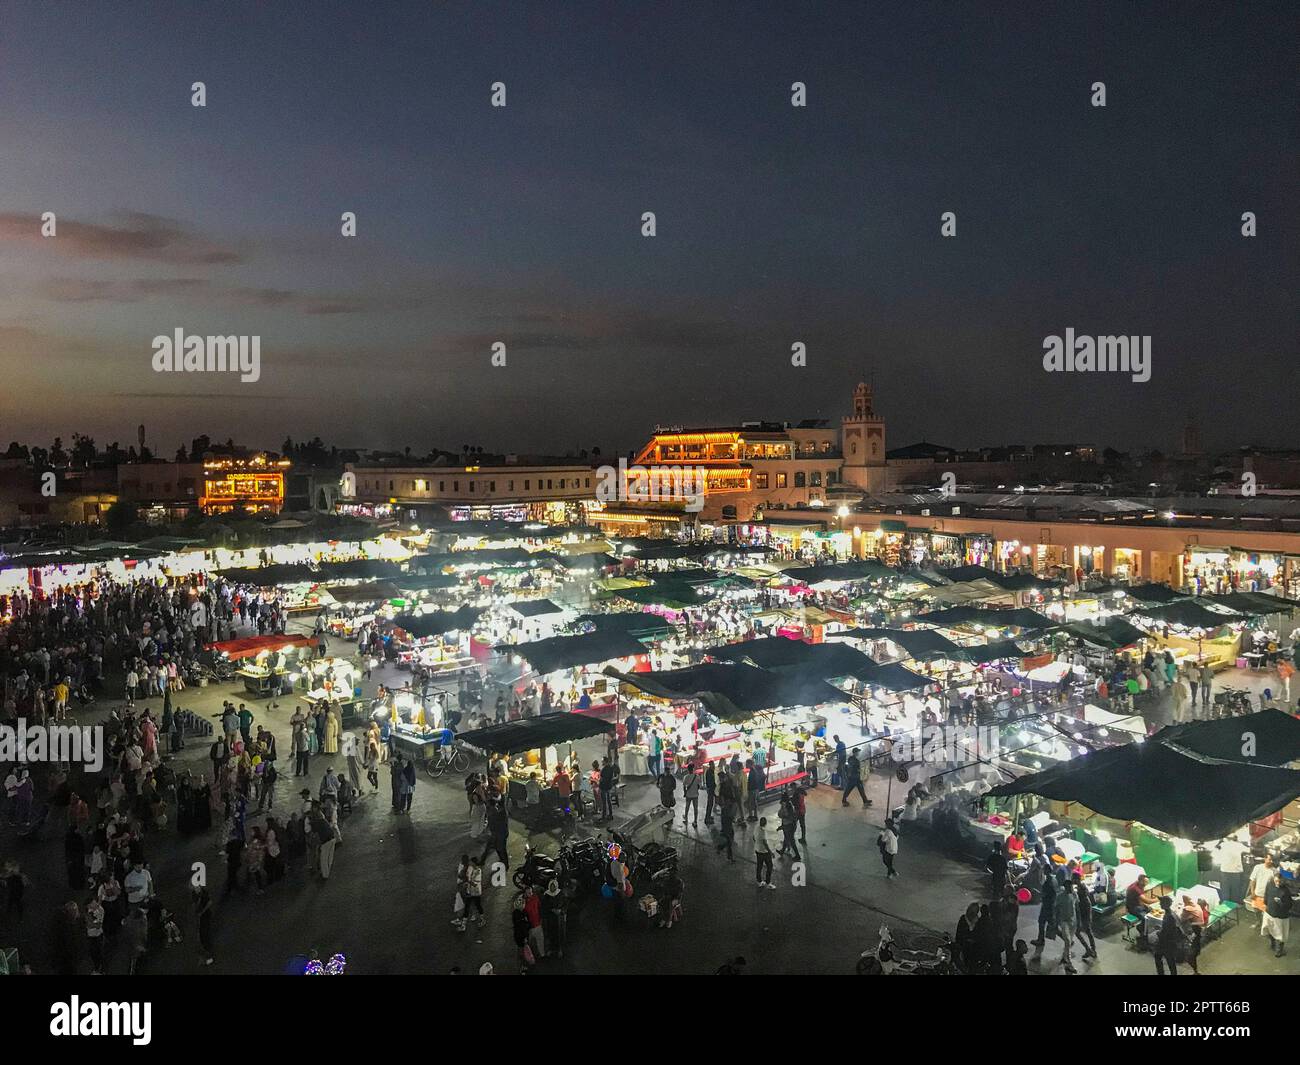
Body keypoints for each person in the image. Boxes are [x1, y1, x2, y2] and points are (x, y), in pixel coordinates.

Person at [1262, 869, 1293, 958]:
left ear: (1282, 881)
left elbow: (1289, 905)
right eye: (1276, 881)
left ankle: (1278, 950)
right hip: (1271, 914)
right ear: (1273, 880)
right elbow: (1266, 898)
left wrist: (1280, 903)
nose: (1277, 883)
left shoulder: (1285, 891)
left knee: (1279, 934)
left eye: (1279, 881)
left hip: (1280, 916)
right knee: (1275, 932)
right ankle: (1276, 948)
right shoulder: (1270, 885)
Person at [1153, 907, 1187, 975]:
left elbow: (1165, 932)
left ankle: (1161, 973)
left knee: (1159, 956)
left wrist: (1158, 932)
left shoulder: (1168, 917)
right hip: (1171, 943)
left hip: (1165, 943)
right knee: (1170, 960)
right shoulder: (1173, 914)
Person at [1073, 873, 1097, 961]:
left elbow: (1081, 903)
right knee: (1087, 931)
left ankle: (1089, 949)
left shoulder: (1081, 889)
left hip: (1084, 912)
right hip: (1085, 911)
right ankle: (1092, 949)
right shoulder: (1081, 887)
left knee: (1081, 931)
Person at [754, 816, 776, 889]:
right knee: (770, 866)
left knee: (759, 866)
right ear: (765, 823)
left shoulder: (756, 828)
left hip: (757, 850)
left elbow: (753, 837)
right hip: (764, 852)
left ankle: (759, 881)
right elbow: (765, 843)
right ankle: (768, 882)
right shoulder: (763, 831)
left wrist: (757, 843)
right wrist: (770, 852)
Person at [681, 762, 700, 828]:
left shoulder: (686, 777)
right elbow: (698, 786)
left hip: (688, 795)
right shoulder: (697, 776)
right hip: (695, 795)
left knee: (687, 807)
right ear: (693, 769)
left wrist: (685, 793)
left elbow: (684, 786)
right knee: (695, 808)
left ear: (688, 770)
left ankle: (686, 819)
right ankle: (695, 821)